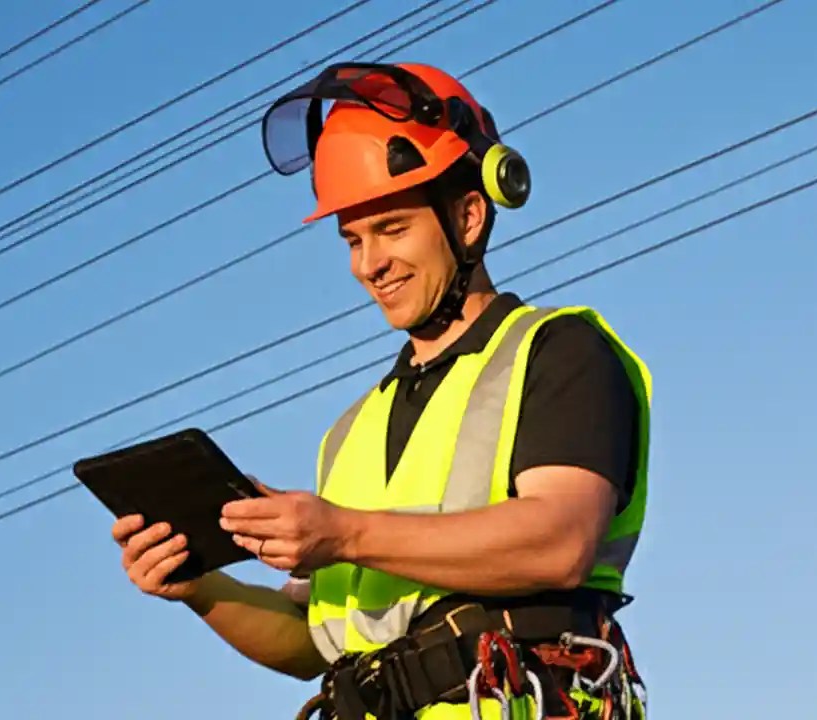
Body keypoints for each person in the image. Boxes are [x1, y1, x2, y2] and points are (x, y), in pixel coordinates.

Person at [111, 62, 652, 719]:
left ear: (469, 216)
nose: (369, 265)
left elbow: (560, 542)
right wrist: (199, 586)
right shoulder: (351, 433)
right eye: (352, 239)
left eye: (393, 229)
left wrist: (341, 533)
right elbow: (313, 644)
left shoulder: (557, 351)